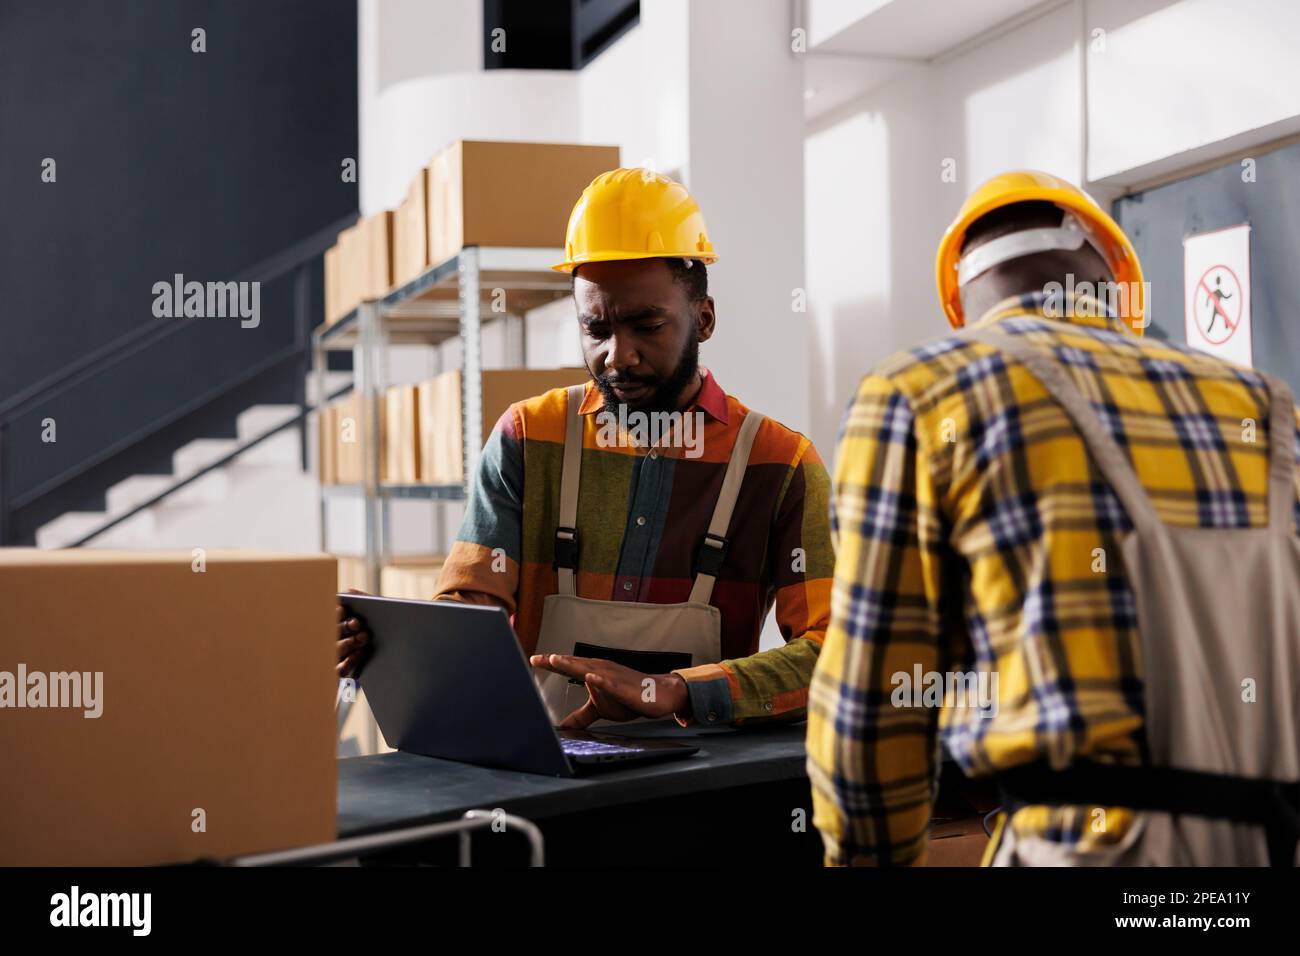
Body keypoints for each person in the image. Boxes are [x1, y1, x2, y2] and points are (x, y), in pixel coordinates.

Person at [807, 169, 1300, 866]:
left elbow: (874, 709)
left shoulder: (921, 393)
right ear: (1111, 273)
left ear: (965, 299)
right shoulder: (1268, 408)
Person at [341, 168, 833, 730]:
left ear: (704, 318)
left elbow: (836, 656)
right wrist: (396, 637)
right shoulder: (529, 438)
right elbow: (471, 614)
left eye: (646, 326)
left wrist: (678, 692)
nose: (617, 357)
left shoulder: (780, 465)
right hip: (543, 774)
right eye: (595, 329)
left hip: (702, 786)